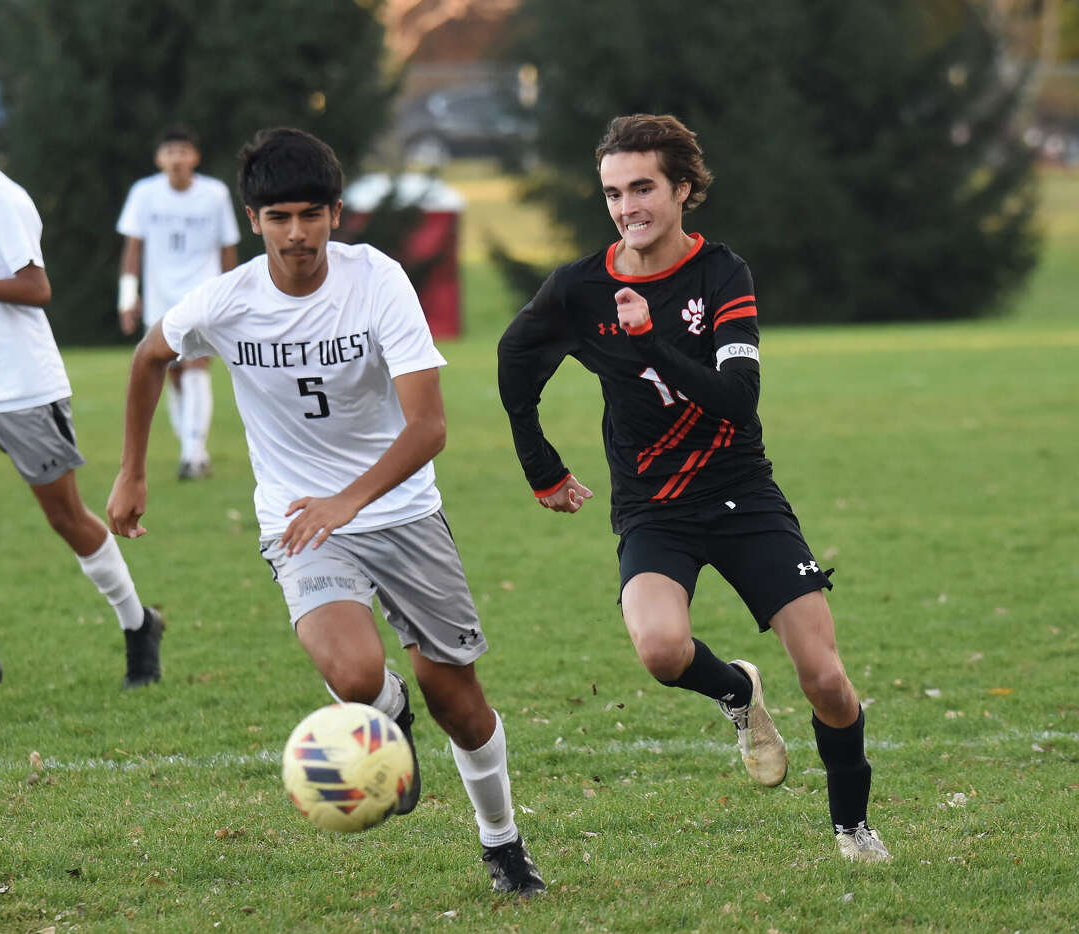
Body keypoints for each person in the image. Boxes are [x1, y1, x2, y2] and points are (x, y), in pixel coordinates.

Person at [107, 127, 547, 896]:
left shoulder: (377, 282)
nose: (297, 233)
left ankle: (502, 841)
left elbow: (430, 426)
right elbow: (150, 358)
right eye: (279, 217)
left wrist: (348, 500)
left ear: (337, 214)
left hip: (402, 510)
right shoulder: (229, 299)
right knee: (351, 670)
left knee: (461, 703)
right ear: (253, 221)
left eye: (311, 214)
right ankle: (390, 719)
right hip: (299, 520)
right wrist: (133, 471)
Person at [497, 113, 890, 863]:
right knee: (659, 649)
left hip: (744, 495)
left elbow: (737, 398)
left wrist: (648, 338)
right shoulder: (578, 288)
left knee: (827, 680)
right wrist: (538, 463)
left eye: (643, 187)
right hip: (654, 508)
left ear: (683, 188)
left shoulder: (722, 275)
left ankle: (852, 826)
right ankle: (737, 694)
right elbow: (515, 363)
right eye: (613, 192)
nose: (626, 206)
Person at [0, 68, 164, 708]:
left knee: (67, 518)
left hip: (23, 386)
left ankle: (138, 624)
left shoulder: (3, 198)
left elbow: (37, 289)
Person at [115, 126, 240, 480]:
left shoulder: (214, 194)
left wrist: (231, 298)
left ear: (195, 158)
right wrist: (128, 297)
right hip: (161, 298)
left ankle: (193, 454)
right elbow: (133, 248)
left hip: (203, 294)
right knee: (170, 373)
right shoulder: (144, 193)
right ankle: (190, 445)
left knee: (197, 365)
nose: (177, 159)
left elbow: (227, 247)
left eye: (183, 151)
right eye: (170, 151)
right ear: (159, 159)